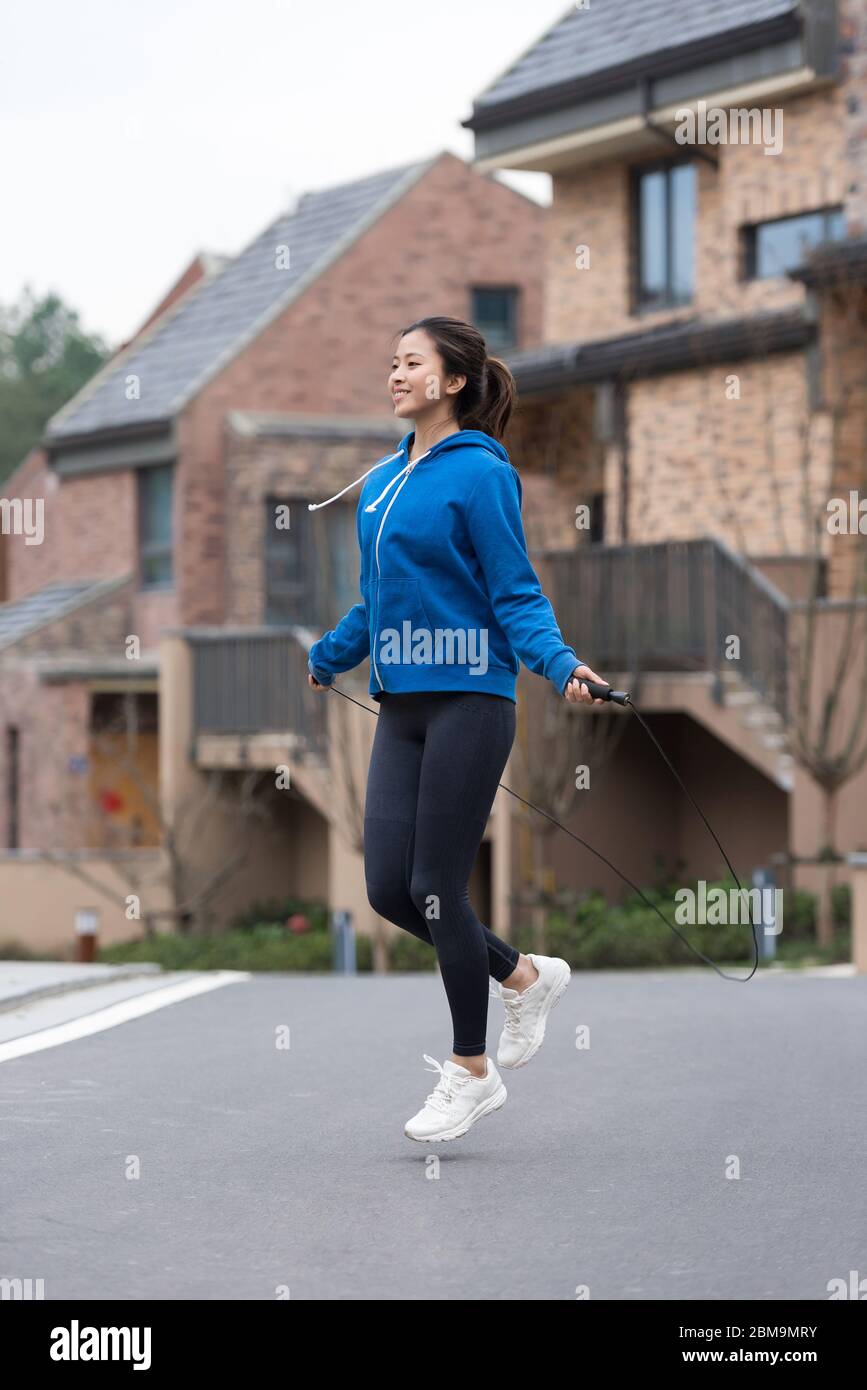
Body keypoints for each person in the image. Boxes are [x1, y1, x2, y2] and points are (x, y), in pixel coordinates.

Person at [306, 315, 609, 1143]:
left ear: (450, 382)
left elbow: (514, 591)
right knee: (387, 888)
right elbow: (378, 597)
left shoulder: (481, 476)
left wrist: (559, 664)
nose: (394, 373)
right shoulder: (377, 483)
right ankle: (521, 974)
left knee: (438, 882)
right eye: (392, 360)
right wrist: (331, 654)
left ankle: (471, 1072)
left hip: (472, 698)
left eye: (411, 363)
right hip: (401, 705)